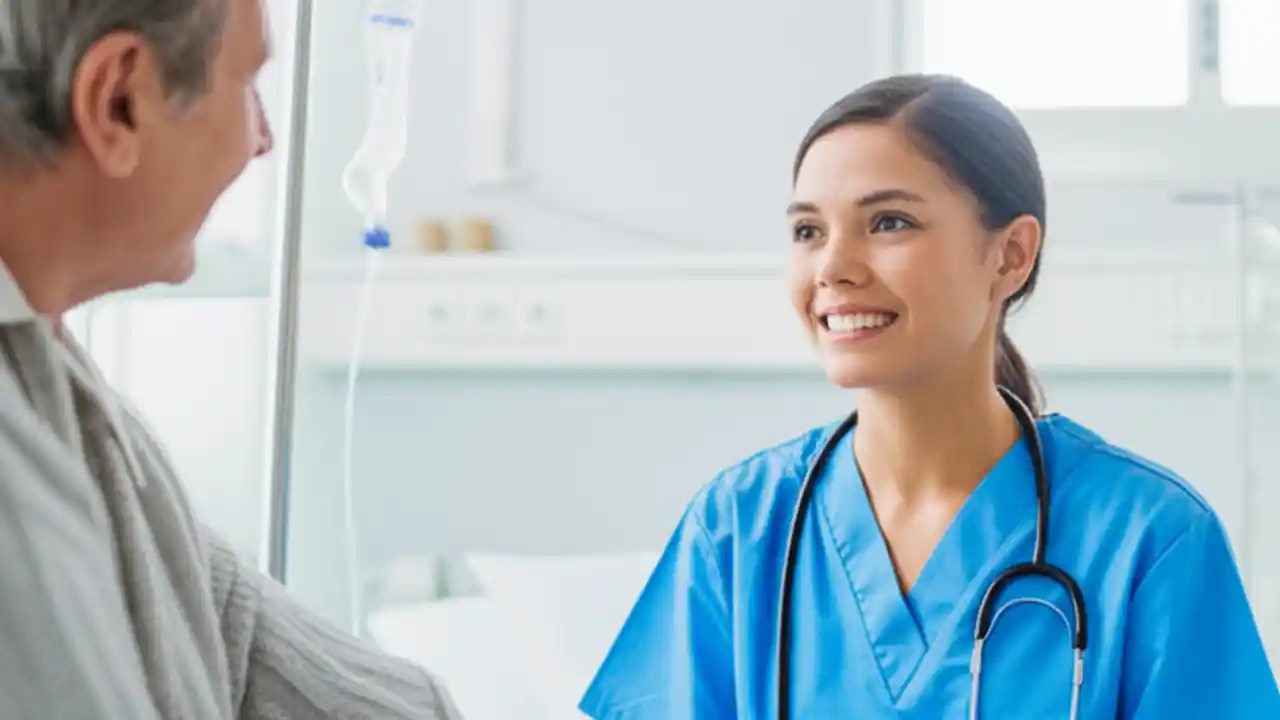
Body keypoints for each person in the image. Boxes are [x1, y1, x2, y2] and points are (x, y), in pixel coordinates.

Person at [579, 74, 1280, 719]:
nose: (833, 267)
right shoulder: (740, 528)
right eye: (808, 231)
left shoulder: (1147, 538)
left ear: (1009, 255)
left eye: (889, 222)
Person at [0, 0, 461, 717]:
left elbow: (230, 633)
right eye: (248, 85)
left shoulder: (60, 387)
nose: (264, 138)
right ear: (118, 101)